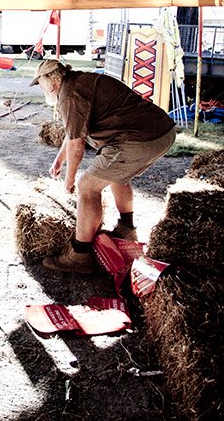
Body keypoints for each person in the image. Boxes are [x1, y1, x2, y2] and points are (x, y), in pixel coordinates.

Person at [31, 59, 175, 274]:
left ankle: (80, 255)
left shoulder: (70, 96)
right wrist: (59, 160)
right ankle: (127, 229)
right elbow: (74, 132)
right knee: (117, 173)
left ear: (51, 81)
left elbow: (77, 146)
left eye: (40, 82)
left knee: (88, 186)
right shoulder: (78, 81)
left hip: (140, 138)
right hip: (161, 131)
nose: (40, 87)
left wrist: (69, 182)